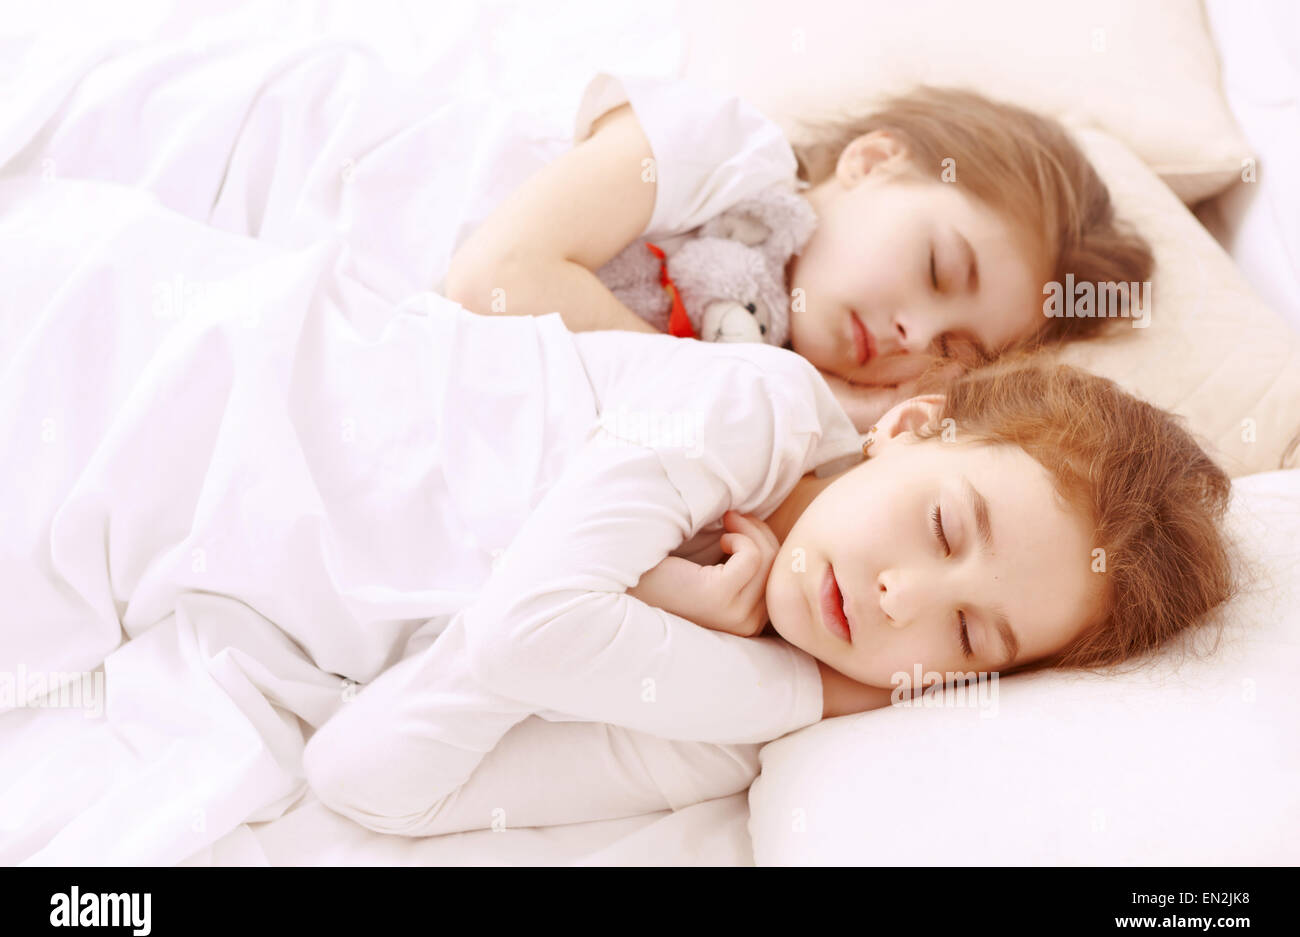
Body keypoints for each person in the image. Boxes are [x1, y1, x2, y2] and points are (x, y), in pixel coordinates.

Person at [303, 319, 1233, 836]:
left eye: (964, 635)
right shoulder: (756, 414)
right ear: (907, 428)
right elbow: (526, 636)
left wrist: (646, 613)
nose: (901, 598)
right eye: (944, 527)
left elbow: (366, 781)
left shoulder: (746, 728)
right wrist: (595, 615)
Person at [443, 78, 1154, 430]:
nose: (915, 336)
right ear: (874, 161)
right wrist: (756, 393)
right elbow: (494, 280)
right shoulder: (715, 150)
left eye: (955, 349)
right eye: (937, 269)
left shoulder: (796, 415)